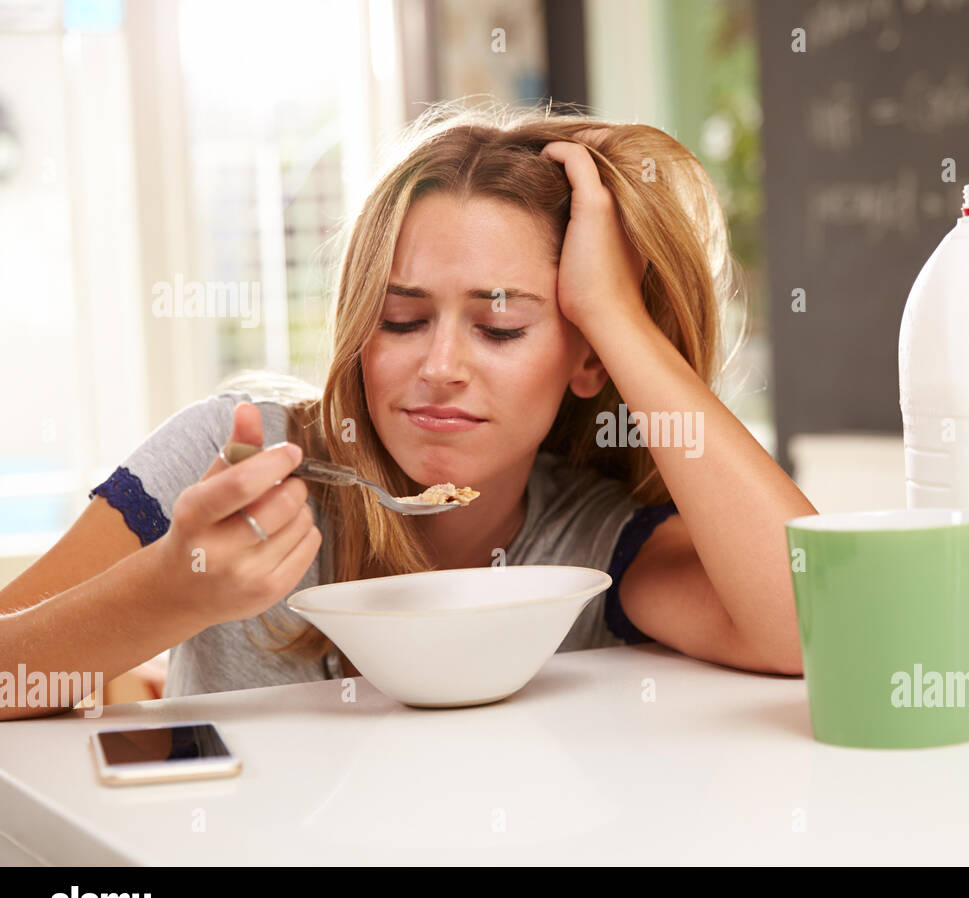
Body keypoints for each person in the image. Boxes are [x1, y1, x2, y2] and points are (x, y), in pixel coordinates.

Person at [0, 99, 813, 719]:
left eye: (499, 327)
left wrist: (616, 316)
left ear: (588, 361)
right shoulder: (237, 458)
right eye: (402, 319)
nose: (441, 367)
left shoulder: (594, 547)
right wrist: (178, 590)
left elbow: (813, 633)